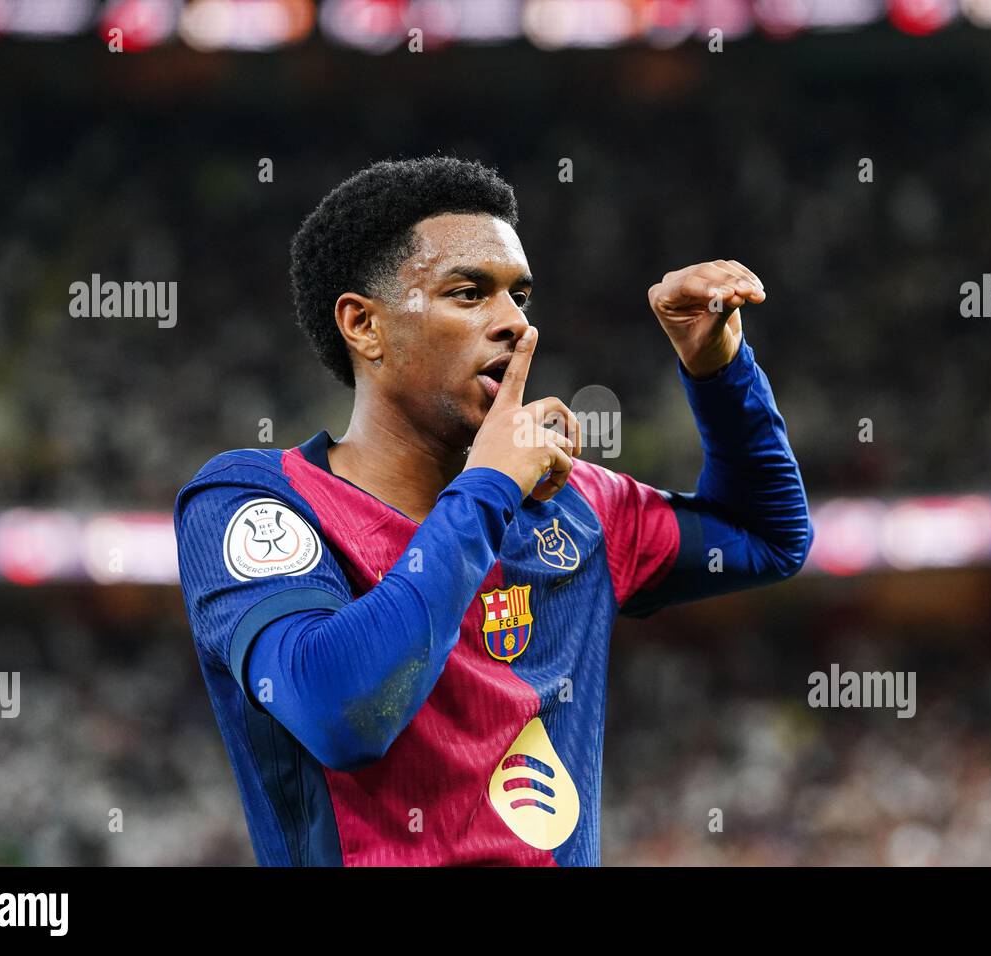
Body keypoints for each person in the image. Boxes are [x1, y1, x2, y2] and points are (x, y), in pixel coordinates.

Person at [174, 156, 813, 865]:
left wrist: (719, 371)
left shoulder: (573, 507)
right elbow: (344, 713)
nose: (514, 324)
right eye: (470, 293)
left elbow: (767, 536)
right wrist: (487, 489)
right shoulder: (257, 501)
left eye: (521, 297)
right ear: (364, 326)